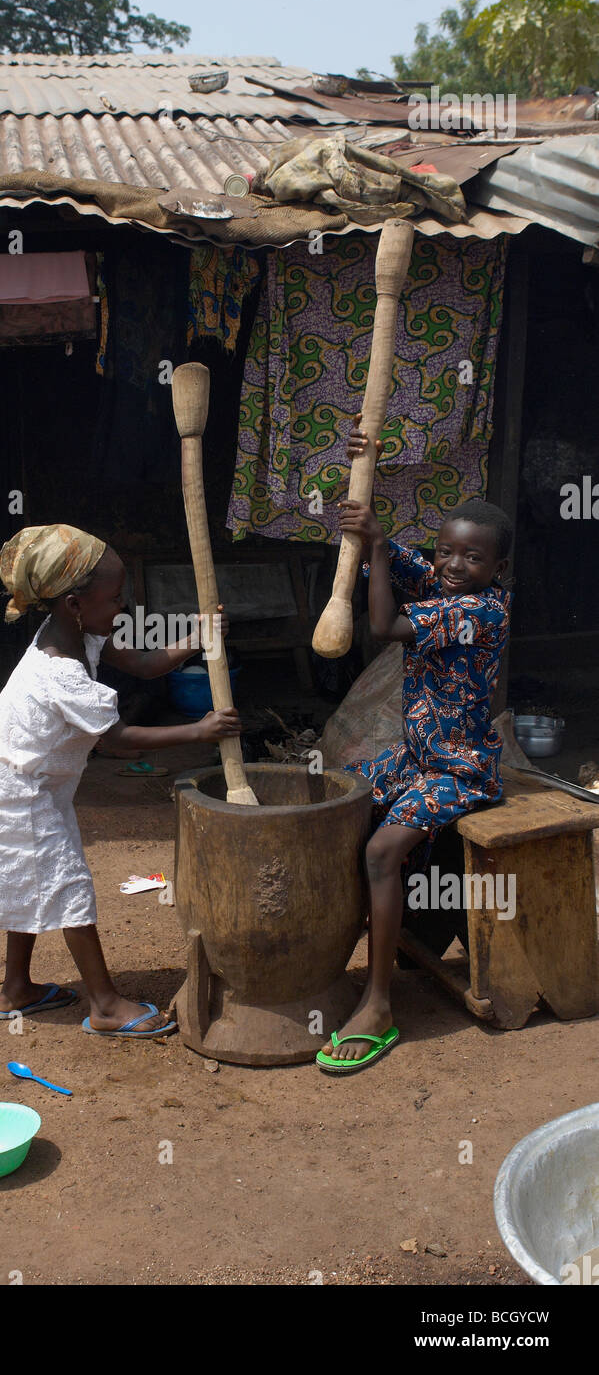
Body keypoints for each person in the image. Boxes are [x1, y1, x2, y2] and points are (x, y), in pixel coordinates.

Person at [0, 524, 240, 1039]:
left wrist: (195, 639)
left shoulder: (75, 632)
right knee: (67, 888)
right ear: (75, 603)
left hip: (24, 785)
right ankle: (104, 1004)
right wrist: (200, 730)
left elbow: (142, 665)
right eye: (116, 597)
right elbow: (116, 738)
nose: (122, 606)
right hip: (17, 796)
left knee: (31, 884)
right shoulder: (59, 674)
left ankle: (16, 989)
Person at [317, 419, 513, 1074]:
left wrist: (375, 549)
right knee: (341, 801)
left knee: (380, 848)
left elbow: (381, 623)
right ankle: (365, 945)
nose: (454, 567)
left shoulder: (479, 610)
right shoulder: (446, 582)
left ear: (497, 568)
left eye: (472, 558)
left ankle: (377, 1005)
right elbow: (394, 557)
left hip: (461, 770)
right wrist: (369, 523)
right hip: (416, 757)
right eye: (446, 554)